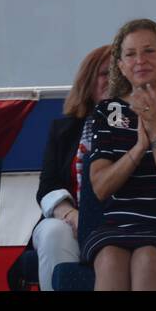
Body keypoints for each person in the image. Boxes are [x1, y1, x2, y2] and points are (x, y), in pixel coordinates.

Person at [86, 19, 156, 290]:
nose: (140, 60)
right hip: (119, 225)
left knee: (147, 258)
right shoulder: (108, 112)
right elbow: (101, 188)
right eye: (130, 54)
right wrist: (138, 147)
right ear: (122, 66)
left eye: (149, 51)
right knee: (110, 259)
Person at [17, 45, 112, 292]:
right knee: (53, 233)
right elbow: (48, 187)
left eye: (119, 74)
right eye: (105, 74)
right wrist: (71, 215)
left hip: (123, 223)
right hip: (71, 222)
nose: (112, 81)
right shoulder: (64, 130)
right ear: (88, 81)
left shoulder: (143, 124)